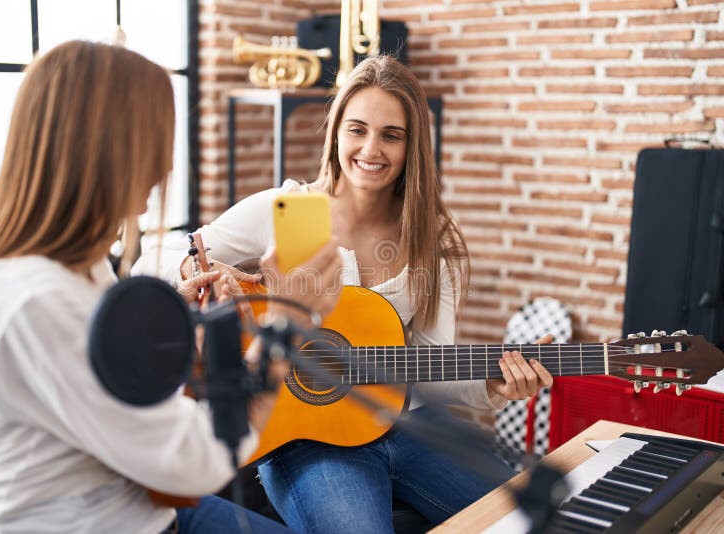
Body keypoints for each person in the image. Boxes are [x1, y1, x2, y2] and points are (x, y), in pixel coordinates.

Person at [138, 55, 553, 533]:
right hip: (304, 440)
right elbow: (156, 257)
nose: (370, 149)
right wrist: (209, 273)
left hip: (407, 427)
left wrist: (491, 387)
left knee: (529, 524)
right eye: (357, 129)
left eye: (391, 135)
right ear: (336, 132)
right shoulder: (288, 208)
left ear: (412, 145)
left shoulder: (434, 235)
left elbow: (427, 363)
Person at [0, 40, 342, 534]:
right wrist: (287, 324)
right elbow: (196, 463)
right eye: (152, 149)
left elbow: (129, 411)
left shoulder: (79, 266)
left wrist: (172, 331)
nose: (160, 174)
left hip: (139, 496)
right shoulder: (41, 301)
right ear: (99, 153)